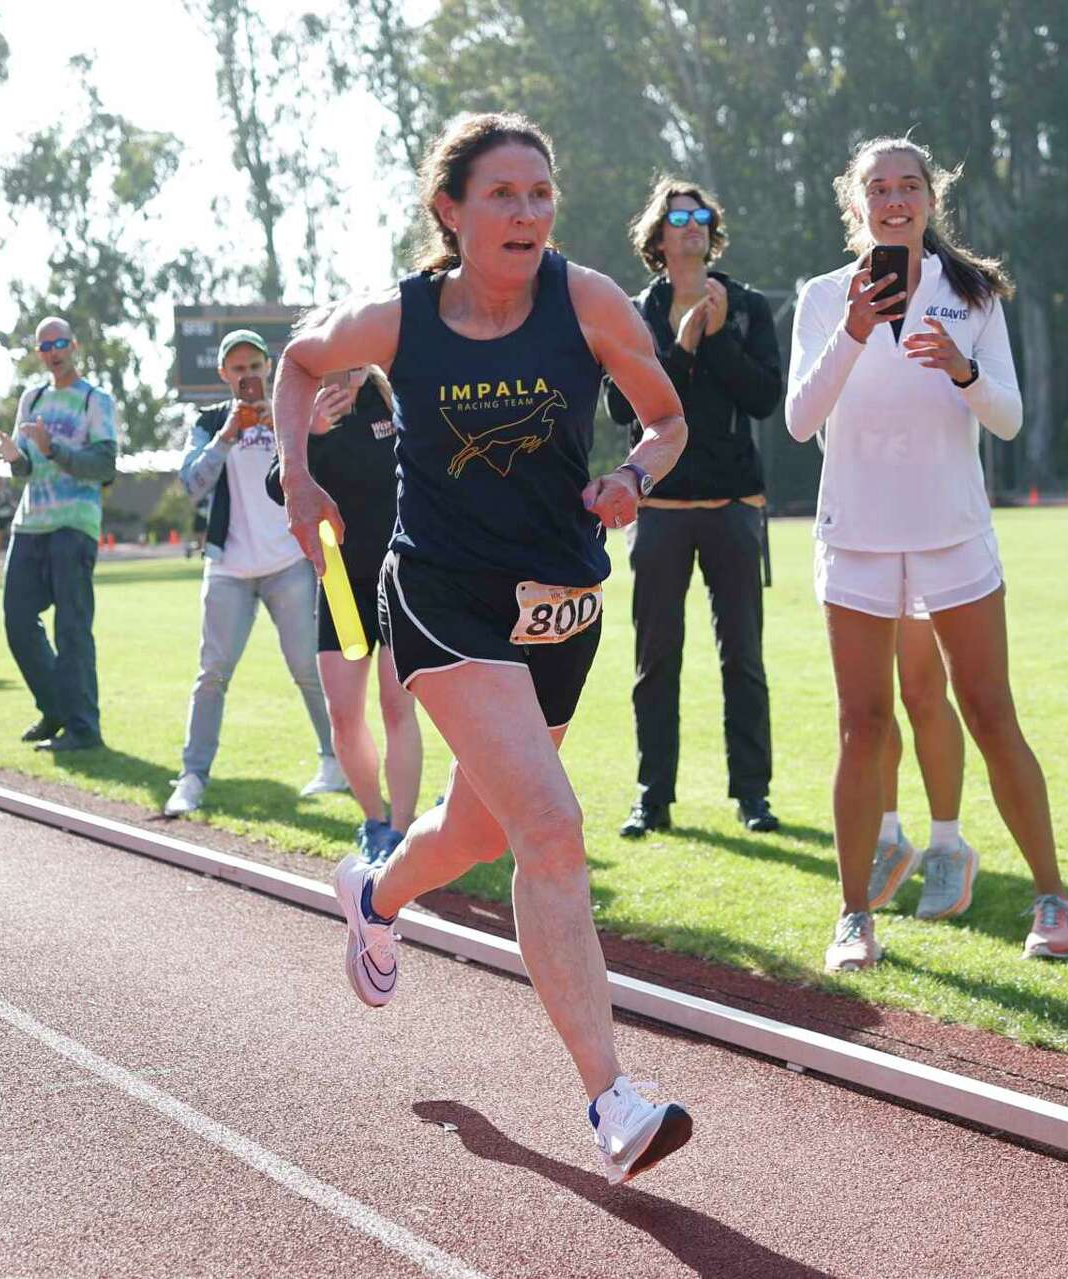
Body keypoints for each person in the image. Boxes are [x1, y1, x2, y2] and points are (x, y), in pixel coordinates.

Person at [274, 111, 693, 1184]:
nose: (527, 213)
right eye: (503, 195)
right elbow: (295, 359)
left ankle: (375, 893)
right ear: (451, 213)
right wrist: (302, 475)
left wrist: (632, 479)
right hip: (441, 596)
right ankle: (613, 1100)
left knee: (477, 822)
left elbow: (664, 419)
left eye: (541, 194)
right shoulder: (402, 319)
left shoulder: (586, 299)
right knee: (549, 827)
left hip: (559, 598)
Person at [786, 135, 1068, 973]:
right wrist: (850, 332)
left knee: (991, 713)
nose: (894, 199)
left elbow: (1009, 418)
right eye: (878, 187)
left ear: (930, 199)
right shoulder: (822, 297)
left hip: (953, 535)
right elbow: (801, 421)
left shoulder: (973, 293)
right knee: (862, 725)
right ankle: (853, 916)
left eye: (909, 185)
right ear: (856, 204)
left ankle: (1052, 898)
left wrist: (961, 370)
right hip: (857, 540)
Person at [605, 178, 783, 839]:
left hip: (734, 504)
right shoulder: (633, 314)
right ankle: (652, 798)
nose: (693, 225)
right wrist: (680, 345)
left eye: (702, 215)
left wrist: (717, 338)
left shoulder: (745, 306)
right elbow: (624, 410)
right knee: (656, 659)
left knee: (743, 655)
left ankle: (753, 796)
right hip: (660, 510)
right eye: (679, 216)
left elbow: (765, 397)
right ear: (658, 235)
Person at [162, 328, 344, 817]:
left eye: (255, 367)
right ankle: (193, 777)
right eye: (238, 369)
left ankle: (335, 763)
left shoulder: (291, 414)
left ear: (270, 366)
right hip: (228, 566)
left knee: (309, 669)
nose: (248, 377)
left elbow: (328, 466)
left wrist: (286, 428)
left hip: (289, 562)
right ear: (225, 375)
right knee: (212, 675)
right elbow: (191, 485)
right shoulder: (208, 422)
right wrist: (228, 436)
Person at [299, 366, 423, 858]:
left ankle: (401, 828)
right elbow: (277, 486)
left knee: (397, 707)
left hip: (398, 583)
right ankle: (374, 821)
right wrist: (311, 435)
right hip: (340, 589)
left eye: (351, 363)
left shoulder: (395, 406)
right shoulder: (307, 413)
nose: (340, 374)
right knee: (344, 716)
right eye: (331, 363)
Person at [0, 316, 118, 753]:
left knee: (72, 628)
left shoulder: (94, 400)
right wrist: (14, 457)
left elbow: (104, 466)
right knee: (17, 622)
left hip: (74, 525)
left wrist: (53, 449)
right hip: (30, 524)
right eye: (45, 346)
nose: (53, 352)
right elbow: (24, 468)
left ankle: (84, 729)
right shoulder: (33, 397)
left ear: (74, 345)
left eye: (60, 343)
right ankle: (55, 709)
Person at [868, 617, 980, 920]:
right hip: (860, 570)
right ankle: (886, 841)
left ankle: (948, 846)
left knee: (922, 693)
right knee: (867, 701)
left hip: (924, 572)